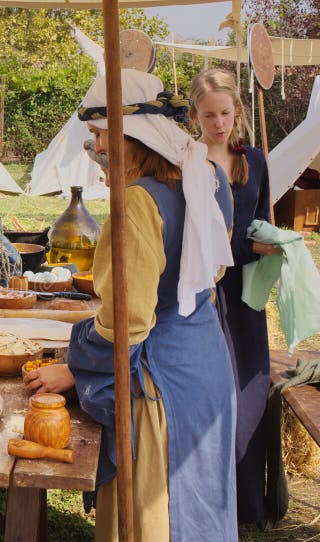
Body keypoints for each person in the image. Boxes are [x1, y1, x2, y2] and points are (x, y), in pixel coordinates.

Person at [23, 69, 238, 540]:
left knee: (160, 514)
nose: (97, 147)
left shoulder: (138, 203)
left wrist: (77, 370)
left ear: (130, 134)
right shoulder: (209, 178)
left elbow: (128, 324)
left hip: (160, 382)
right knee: (201, 506)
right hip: (209, 368)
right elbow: (212, 273)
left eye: (100, 133)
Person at [190, 68, 276, 524]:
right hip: (203, 292)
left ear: (237, 111)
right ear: (195, 116)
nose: (218, 123)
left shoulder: (256, 161)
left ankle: (247, 506)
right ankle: (210, 500)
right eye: (209, 115)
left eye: (225, 113)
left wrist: (275, 250)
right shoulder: (186, 159)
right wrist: (249, 244)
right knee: (216, 394)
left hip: (245, 297)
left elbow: (260, 222)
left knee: (250, 391)